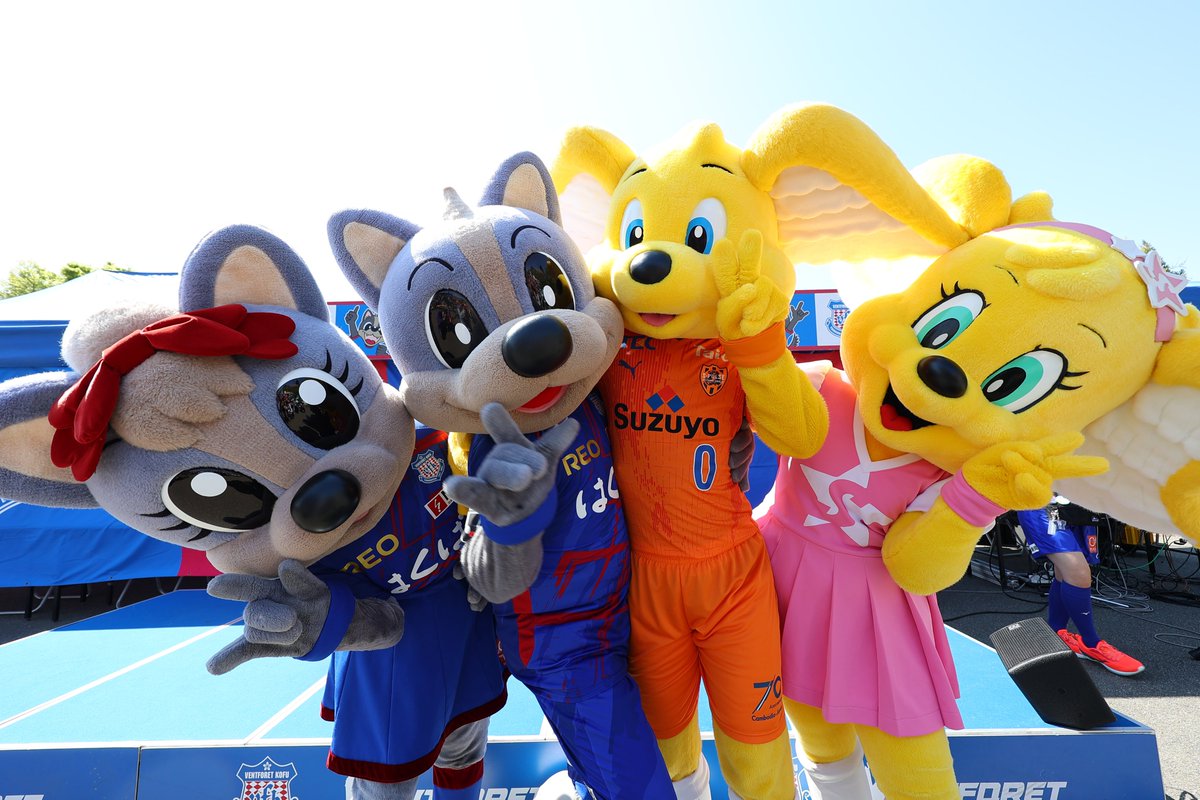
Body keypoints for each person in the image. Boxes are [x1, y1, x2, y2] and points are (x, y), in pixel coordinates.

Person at [1015, 501, 1144, 676]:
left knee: (1064, 572)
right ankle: (1092, 644)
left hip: (1076, 507)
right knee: (1079, 572)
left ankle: (1056, 632)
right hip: (1042, 506)